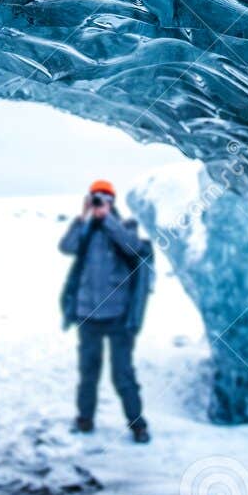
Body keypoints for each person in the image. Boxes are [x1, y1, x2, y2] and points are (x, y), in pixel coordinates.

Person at [58, 179, 153, 443]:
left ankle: (137, 424)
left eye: (105, 198)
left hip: (118, 316)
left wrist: (108, 220)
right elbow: (67, 247)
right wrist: (82, 218)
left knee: (122, 373)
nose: (100, 202)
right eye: (95, 197)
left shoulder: (125, 226)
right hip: (87, 315)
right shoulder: (85, 230)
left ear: (113, 202)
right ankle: (84, 418)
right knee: (88, 372)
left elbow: (134, 248)